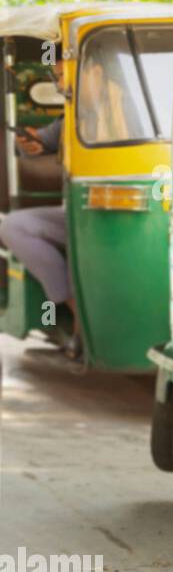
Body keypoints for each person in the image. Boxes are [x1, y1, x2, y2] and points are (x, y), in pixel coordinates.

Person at [2, 68, 80, 361]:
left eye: (63, 73)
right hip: (72, 212)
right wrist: (29, 144)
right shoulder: (68, 117)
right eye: (56, 74)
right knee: (13, 227)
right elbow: (39, 145)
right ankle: (73, 308)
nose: (59, 81)